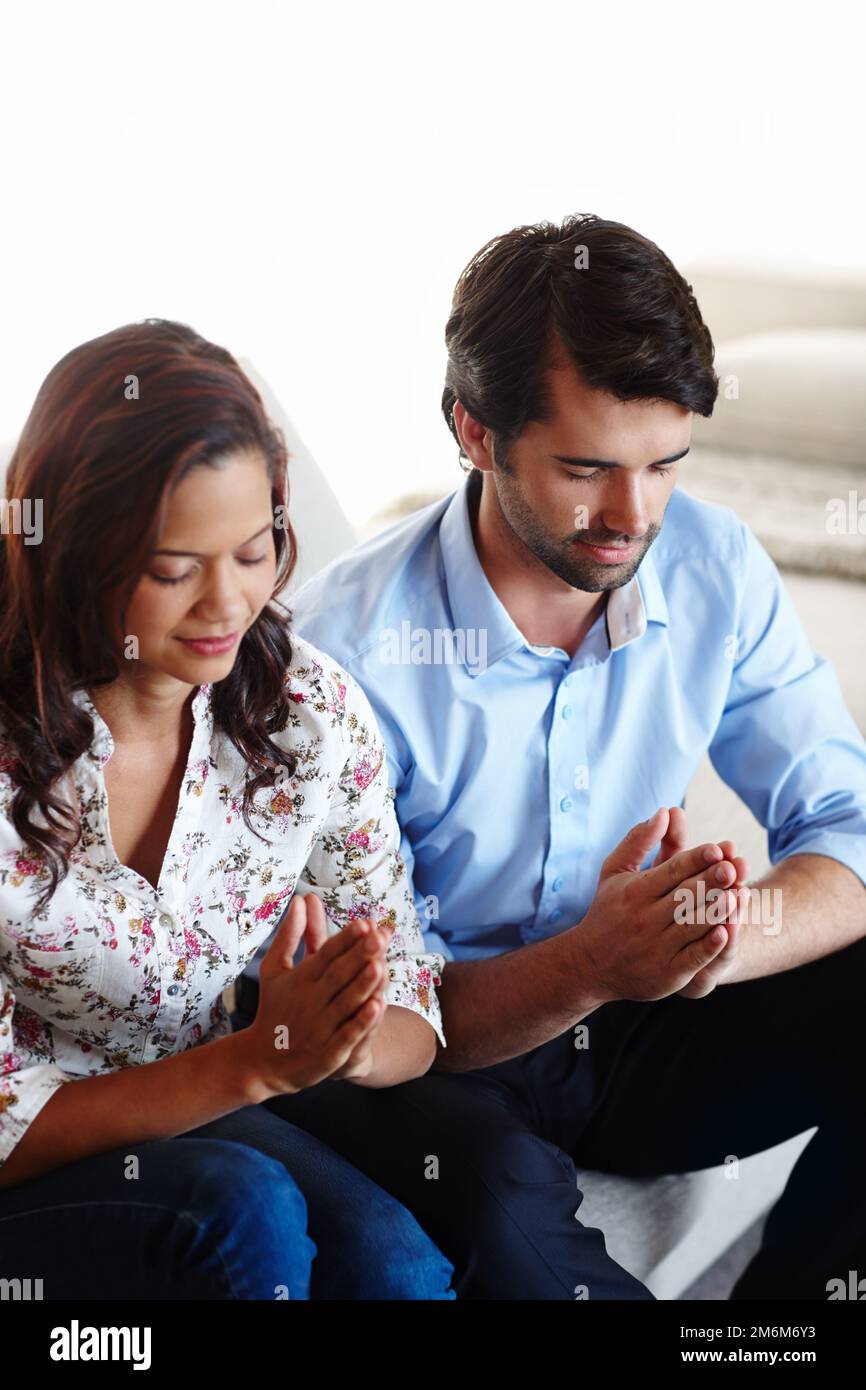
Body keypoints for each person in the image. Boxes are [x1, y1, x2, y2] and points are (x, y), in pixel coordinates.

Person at [260, 214, 866, 1300]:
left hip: (642, 1026)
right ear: (474, 430)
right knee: (494, 1192)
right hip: (444, 1045)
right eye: (586, 468)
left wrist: (718, 935)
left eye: (664, 465)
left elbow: (846, 829)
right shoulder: (343, 652)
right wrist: (594, 960)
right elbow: (381, 1011)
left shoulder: (712, 565)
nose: (632, 520)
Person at [0, 319, 454, 1300]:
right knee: (239, 1209)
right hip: (34, 1157)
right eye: (173, 570)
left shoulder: (307, 711)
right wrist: (258, 1062)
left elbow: (410, 981)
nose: (227, 604)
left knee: (399, 1266)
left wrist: (347, 1031)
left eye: (255, 551)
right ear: (73, 547)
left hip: (198, 1104)